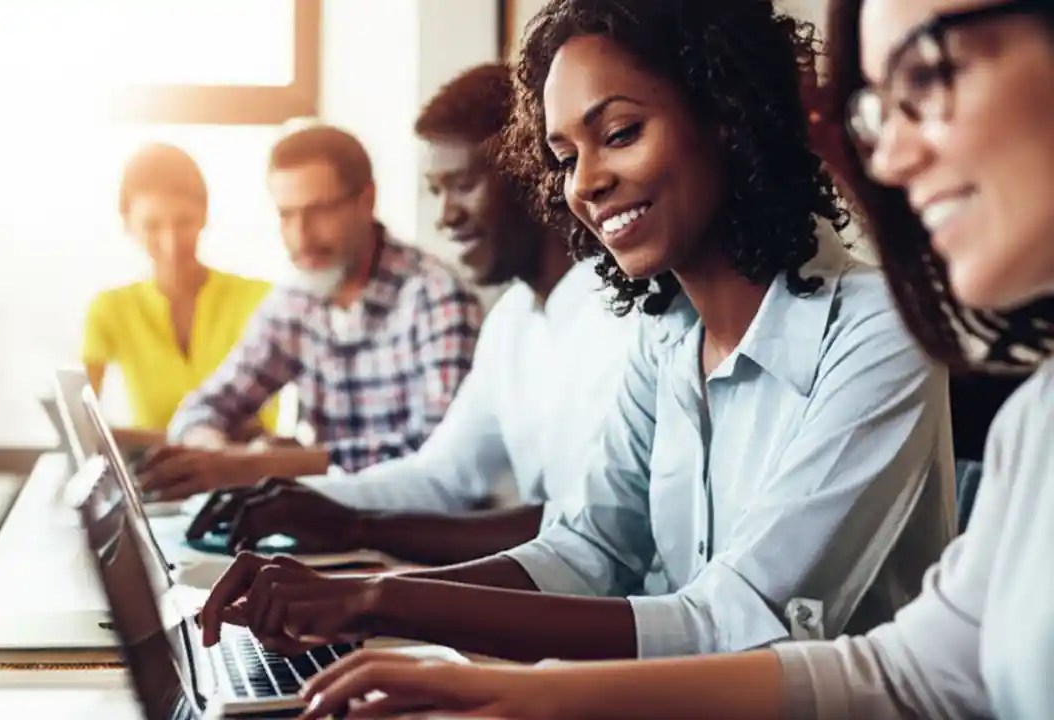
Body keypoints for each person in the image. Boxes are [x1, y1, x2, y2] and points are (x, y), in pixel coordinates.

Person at [297, 0, 1054, 717]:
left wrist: (385, 600)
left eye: (620, 132)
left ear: (726, 116)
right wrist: (449, 643)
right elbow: (903, 672)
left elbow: (733, 620)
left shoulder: (875, 327)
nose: (585, 184)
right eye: (564, 157)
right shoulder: (667, 338)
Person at [178, 63, 634, 565]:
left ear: (535, 173)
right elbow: (441, 475)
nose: (446, 217)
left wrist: (353, 525)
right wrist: (288, 494)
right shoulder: (513, 321)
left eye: (463, 184)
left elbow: (584, 527)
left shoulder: (624, 315)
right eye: (436, 191)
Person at [144, 124, 483, 494]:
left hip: (422, 536)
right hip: (326, 532)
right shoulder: (295, 301)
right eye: (286, 215)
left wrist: (263, 465)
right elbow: (204, 408)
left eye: (318, 211)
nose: (300, 237)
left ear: (366, 200)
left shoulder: (438, 299)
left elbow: (439, 459)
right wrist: (217, 455)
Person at [82, 143, 276, 438]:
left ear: (204, 216)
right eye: (152, 225)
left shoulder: (260, 299)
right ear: (127, 224)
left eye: (184, 222)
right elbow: (82, 424)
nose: (171, 243)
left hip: (246, 476)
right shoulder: (110, 309)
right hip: (153, 477)